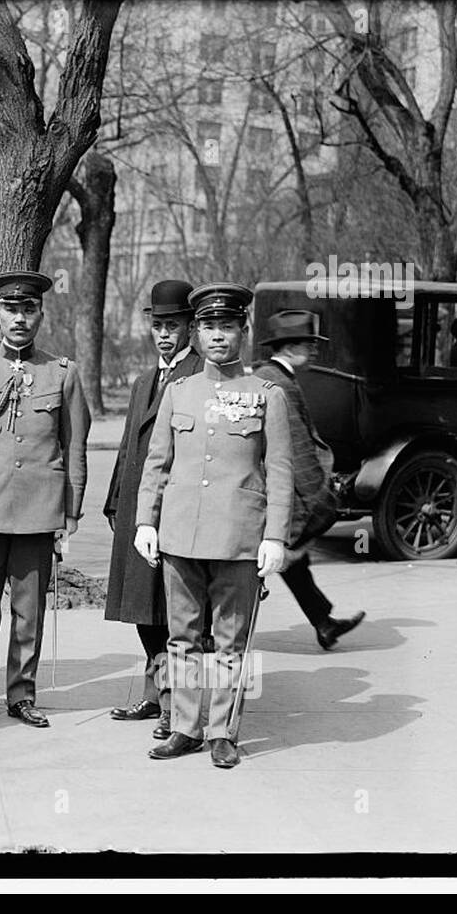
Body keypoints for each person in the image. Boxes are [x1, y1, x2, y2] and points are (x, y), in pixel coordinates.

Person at [135, 282, 293, 769]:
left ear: (243, 330)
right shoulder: (179, 391)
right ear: (197, 332)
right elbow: (157, 463)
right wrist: (146, 521)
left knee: (228, 641)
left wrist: (275, 536)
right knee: (180, 637)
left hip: (238, 537)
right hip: (181, 534)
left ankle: (222, 730)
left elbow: (282, 469)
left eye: (227, 326)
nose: (217, 336)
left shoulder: (267, 395)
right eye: (208, 326)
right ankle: (184, 727)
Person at [0, 270, 91, 729]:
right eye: (11, 309)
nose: (20, 318)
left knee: (28, 612)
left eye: (29, 309)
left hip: (37, 512)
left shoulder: (62, 373)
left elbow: (75, 446)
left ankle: (22, 695)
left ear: (41, 313)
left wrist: (70, 511)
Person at [104, 280, 204, 738]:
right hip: (136, 508)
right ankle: (153, 693)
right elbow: (129, 447)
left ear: (190, 327)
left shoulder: (200, 377)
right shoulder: (146, 380)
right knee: (142, 607)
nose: (164, 334)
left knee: (170, 611)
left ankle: (173, 705)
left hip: (175, 508)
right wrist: (114, 501)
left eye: (174, 325)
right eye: (158, 325)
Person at [253, 310, 365, 650]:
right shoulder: (280, 384)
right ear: (288, 346)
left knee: (291, 559)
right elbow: (295, 450)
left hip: (269, 489)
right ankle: (213, 635)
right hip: (278, 491)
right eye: (309, 344)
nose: (315, 350)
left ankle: (323, 622)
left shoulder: (271, 376)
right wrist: (320, 496)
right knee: (262, 563)